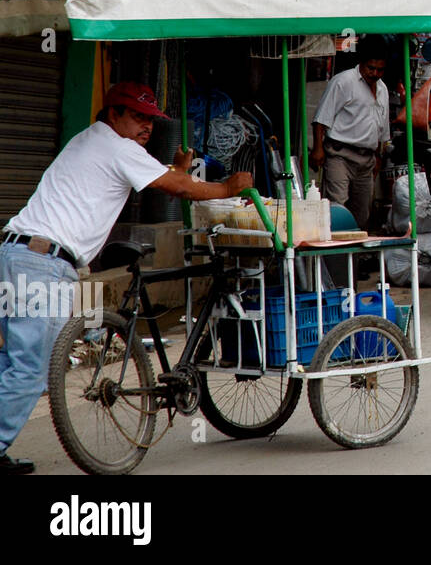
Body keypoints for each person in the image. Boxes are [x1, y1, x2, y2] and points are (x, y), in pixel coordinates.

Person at [0, 82, 253, 475]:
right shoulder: (119, 148)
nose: (146, 127)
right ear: (113, 114)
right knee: (31, 368)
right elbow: (180, 188)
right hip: (41, 264)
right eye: (138, 117)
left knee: (12, 361)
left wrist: (180, 172)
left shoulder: (91, 140)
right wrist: (228, 186)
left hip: (19, 254)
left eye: (151, 120)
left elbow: (169, 180)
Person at [310, 36, 390, 232]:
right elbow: (321, 119)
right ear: (361, 63)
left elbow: (382, 129)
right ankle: (334, 258)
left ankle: (352, 260)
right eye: (371, 68)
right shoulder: (343, 81)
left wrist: (378, 156)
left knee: (362, 213)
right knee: (337, 208)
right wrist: (318, 149)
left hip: (367, 160)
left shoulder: (383, 89)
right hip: (340, 155)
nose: (375, 73)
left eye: (380, 69)